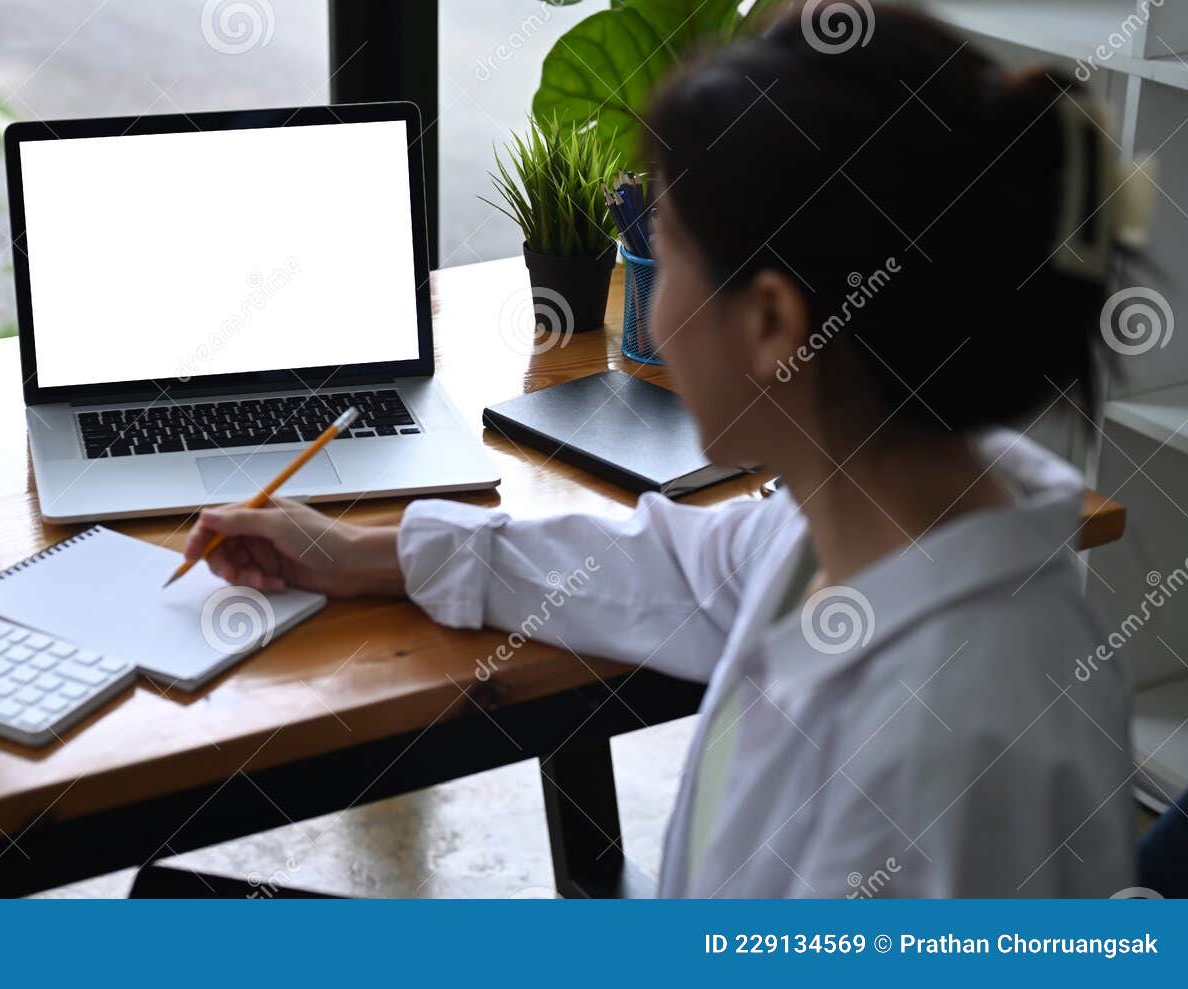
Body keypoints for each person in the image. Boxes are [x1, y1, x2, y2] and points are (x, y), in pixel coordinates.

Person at [182, 2, 1139, 897]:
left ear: (772, 321)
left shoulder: (948, 750)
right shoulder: (863, 520)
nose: (652, 304)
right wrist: (361, 553)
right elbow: (670, 567)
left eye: (664, 248)